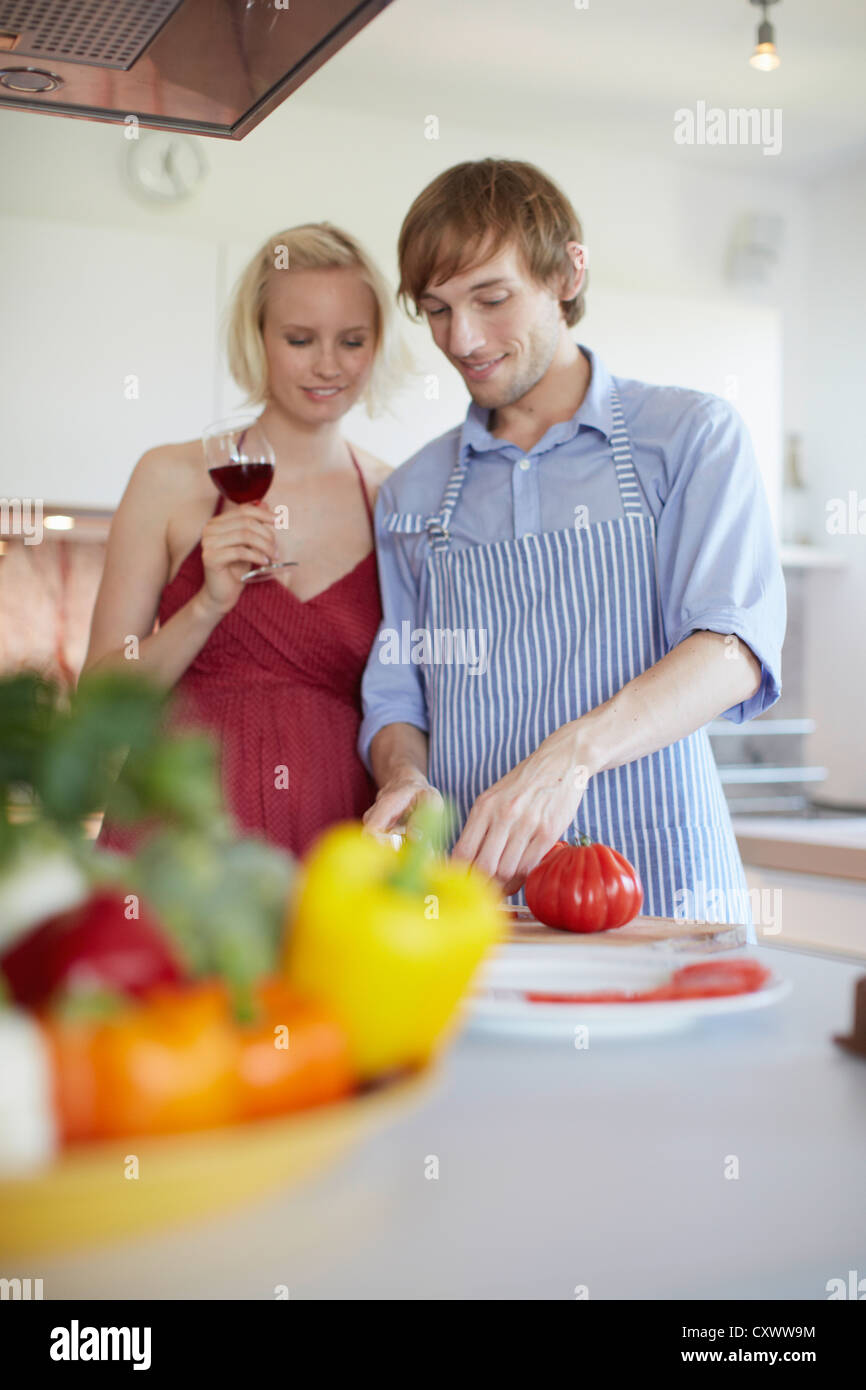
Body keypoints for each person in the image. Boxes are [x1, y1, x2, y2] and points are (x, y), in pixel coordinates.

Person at [358, 159, 786, 932]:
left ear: (566, 271)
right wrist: (404, 776)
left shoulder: (688, 437)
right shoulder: (413, 494)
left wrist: (572, 756)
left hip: (662, 885)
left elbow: (733, 649)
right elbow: (398, 694)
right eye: (437, 310)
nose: (464, 339)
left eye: (492, 299)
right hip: (472, 898)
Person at [85, 222, 406, 857]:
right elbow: (99, 699)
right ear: (257, 338)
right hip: (174, 830)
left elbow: (409, 702)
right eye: (299, 339)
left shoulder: (396, 498)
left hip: (334, 838)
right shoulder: (170, 477)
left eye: (352, 340)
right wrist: (206, 606)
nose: (328, 365)